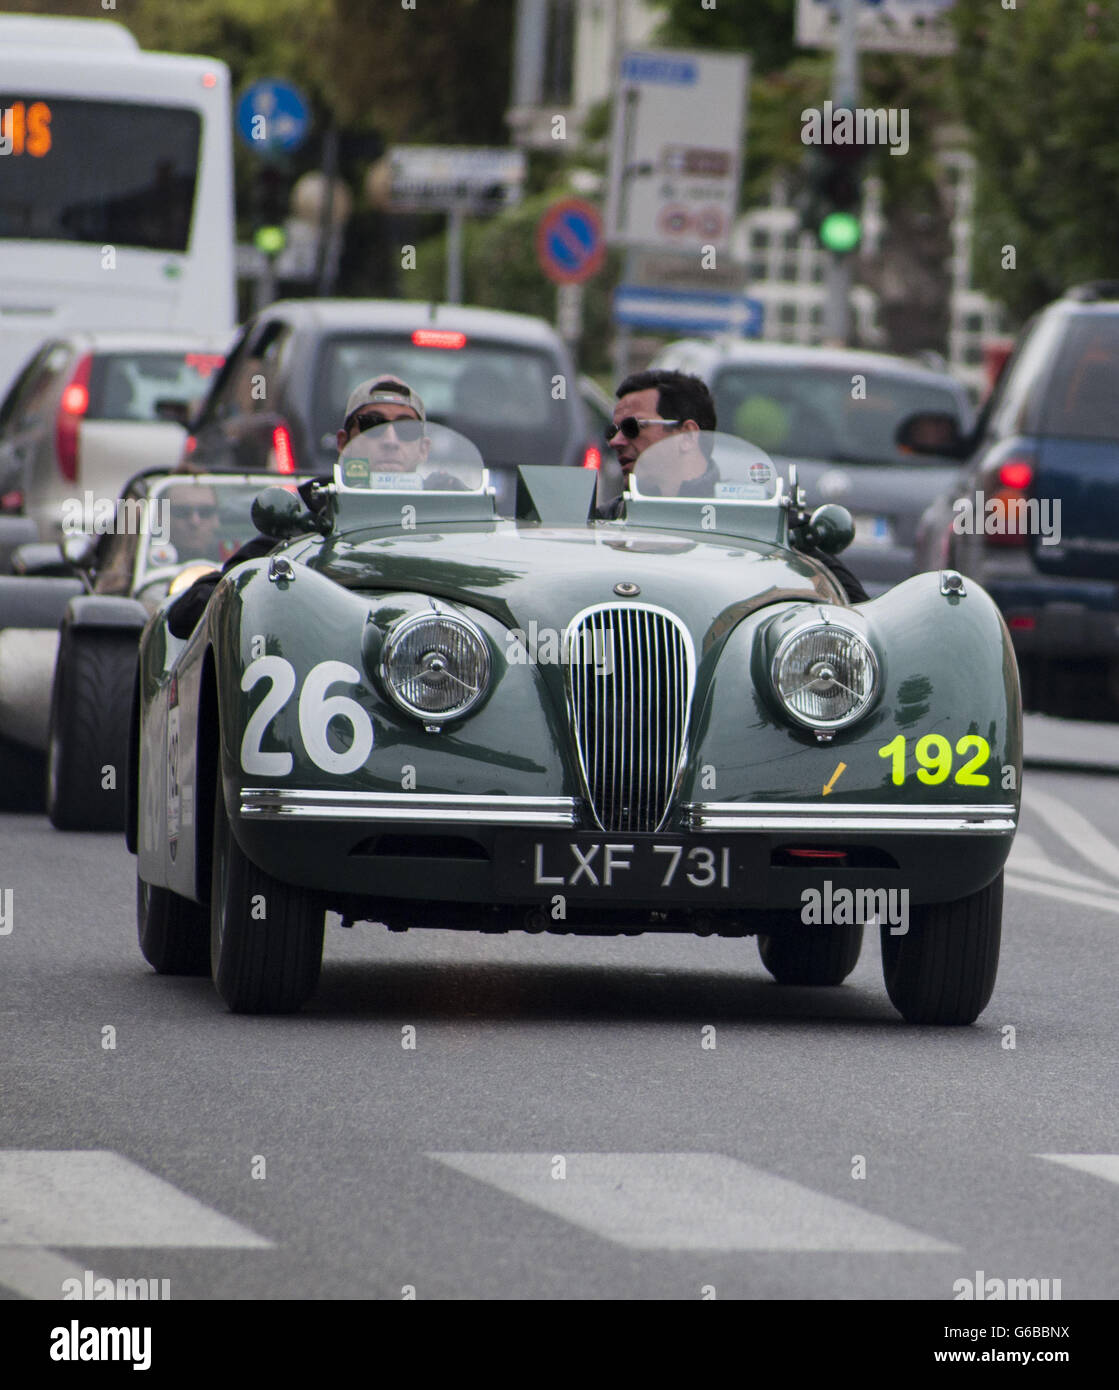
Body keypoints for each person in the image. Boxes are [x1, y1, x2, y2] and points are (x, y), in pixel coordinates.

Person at [166, 375, 428, 638]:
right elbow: (188, 614)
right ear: (343, 443)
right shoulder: (313, 509)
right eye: (373, 425)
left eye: (407, 430)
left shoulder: (461, 513)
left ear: (423, 449)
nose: (391, 440)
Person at [599, 368, 868, 603]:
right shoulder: (604, 523)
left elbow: (857, 608)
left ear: (687, 436)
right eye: (613, 431)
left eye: (632, 427)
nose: (616, 442)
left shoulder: (757, 518)